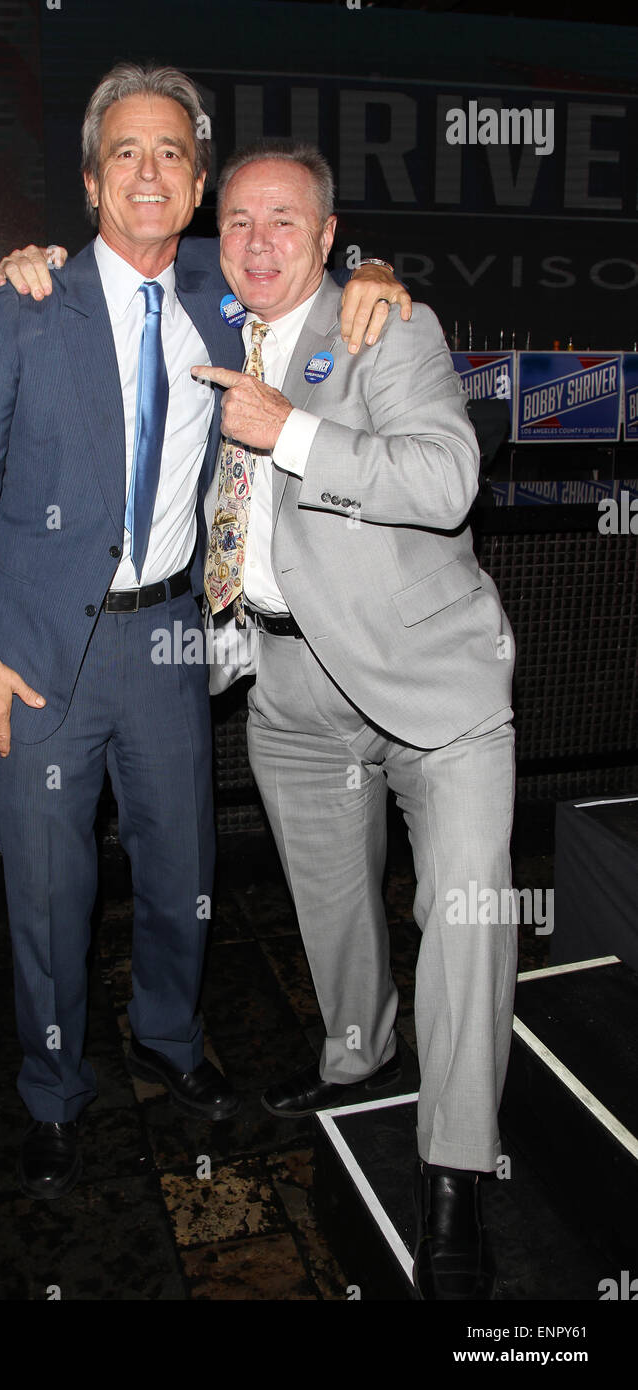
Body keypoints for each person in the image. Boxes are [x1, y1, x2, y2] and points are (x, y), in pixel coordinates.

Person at [0, 65, 408, 1202]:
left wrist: (372, 270)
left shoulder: (215, 285)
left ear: (194, 188)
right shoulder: (24, 301)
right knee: (47, 892)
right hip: (37, 656)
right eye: (125, 154)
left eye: (172, 156)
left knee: (181, 868)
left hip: (169, 646)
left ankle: (169, 1039)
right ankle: (51, 1088)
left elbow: (306, 265)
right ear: (91, 180)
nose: (149, 173)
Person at [190, 141, 517, 1302]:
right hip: (290, 690)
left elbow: (443, 483)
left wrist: (291, 431)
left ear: (330, 240)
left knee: (464, 916)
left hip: (436, 691)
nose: (260, 242)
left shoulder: (389, 326)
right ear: (211, 236)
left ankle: (454, 1166)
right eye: (237, 222)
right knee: (329, 910)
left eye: (287, 221)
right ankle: (354, 1053)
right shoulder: (204, 327)